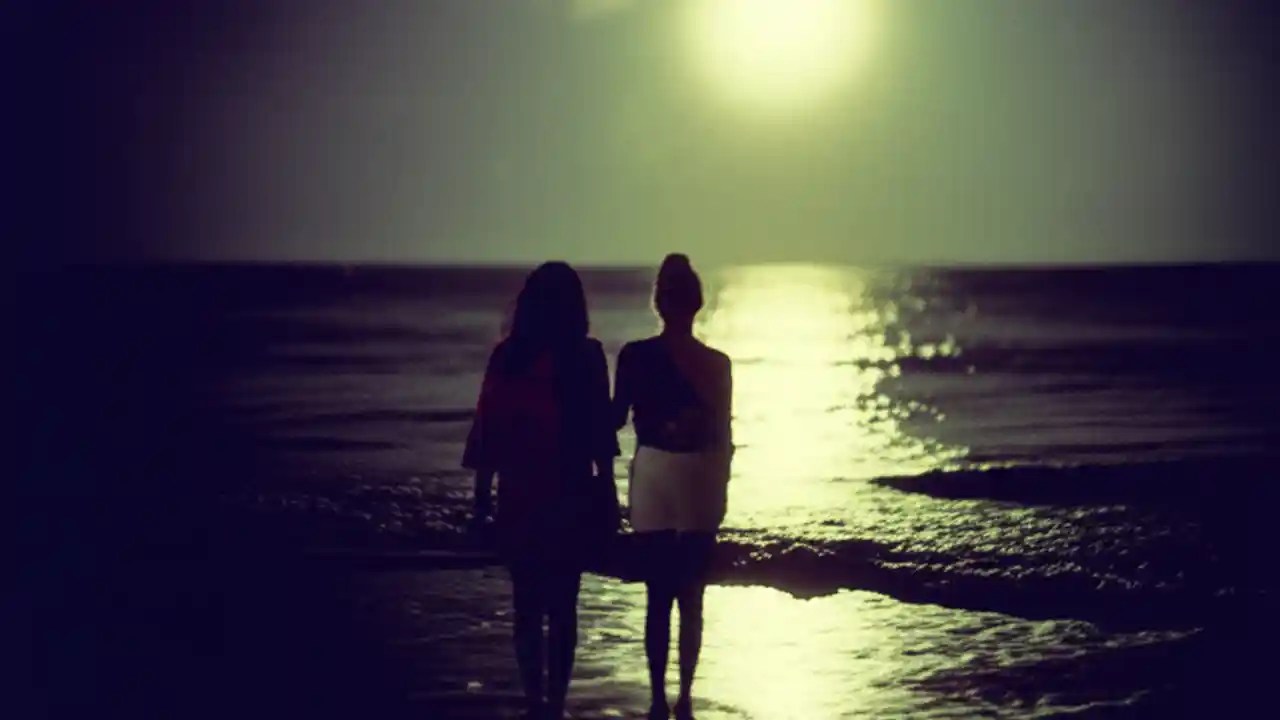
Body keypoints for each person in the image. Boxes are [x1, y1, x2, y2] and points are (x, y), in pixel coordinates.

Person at [463, 262, 619, 720]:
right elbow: (598, 435)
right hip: (569, 488)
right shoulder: (587, 354)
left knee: (527, 606)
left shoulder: (509, 355)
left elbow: (486, 431)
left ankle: (535, 703)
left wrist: (480, 501)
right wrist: (608, 492)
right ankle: (555, 704)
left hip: (522, 490)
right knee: (563, 605)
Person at [614, 254, 733, 720]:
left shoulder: (635, 356)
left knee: (658, 594)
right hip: (700, 473)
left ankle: (658, 699)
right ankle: (683, 697)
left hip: (655, 471)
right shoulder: (717, 363)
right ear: (696, 304)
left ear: (659, 303)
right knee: (691, 595)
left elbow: (614, 419)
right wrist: (722, 489)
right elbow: (724, 435)